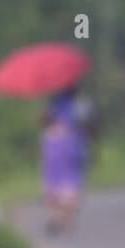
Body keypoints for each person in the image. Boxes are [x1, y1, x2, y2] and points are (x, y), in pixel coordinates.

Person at [40, 87, 95, 234]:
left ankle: (55, 218)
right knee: (71, 184)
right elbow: (88, 127)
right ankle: (66, 220)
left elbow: (44, 122)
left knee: (53, 183)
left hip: (53, 145)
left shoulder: (52, 105)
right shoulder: (81, 106)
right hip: (72, 146)